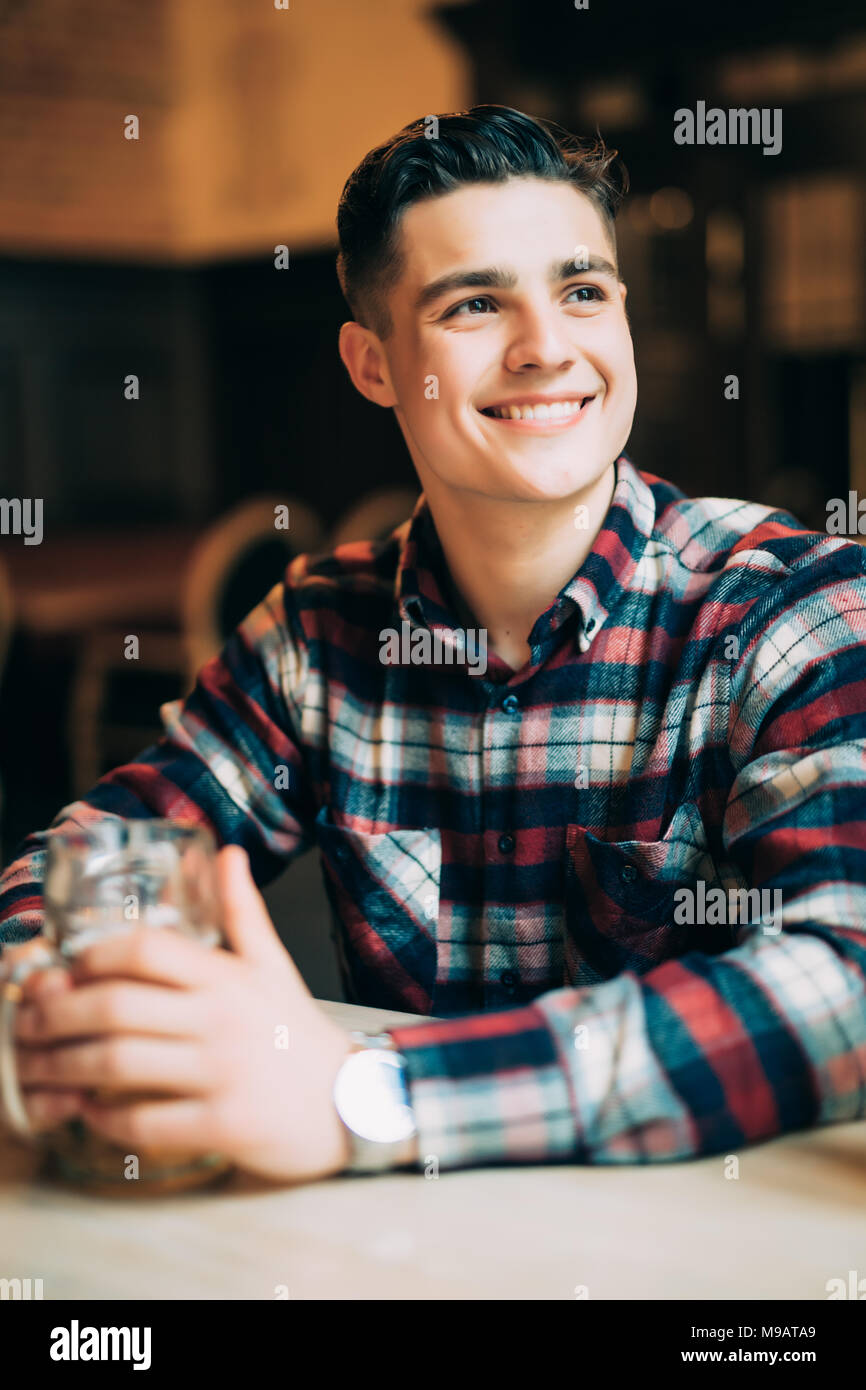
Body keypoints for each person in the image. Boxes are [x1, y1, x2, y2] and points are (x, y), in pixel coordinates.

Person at [1, 106, 864, 1183]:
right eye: (473, 303)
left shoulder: (791, 608)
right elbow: (93, 859)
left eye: (582, 290)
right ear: (371, 364)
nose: (548, 346)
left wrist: (365, 1100)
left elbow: (844, 985)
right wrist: (70, 1000)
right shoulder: (315, 631)